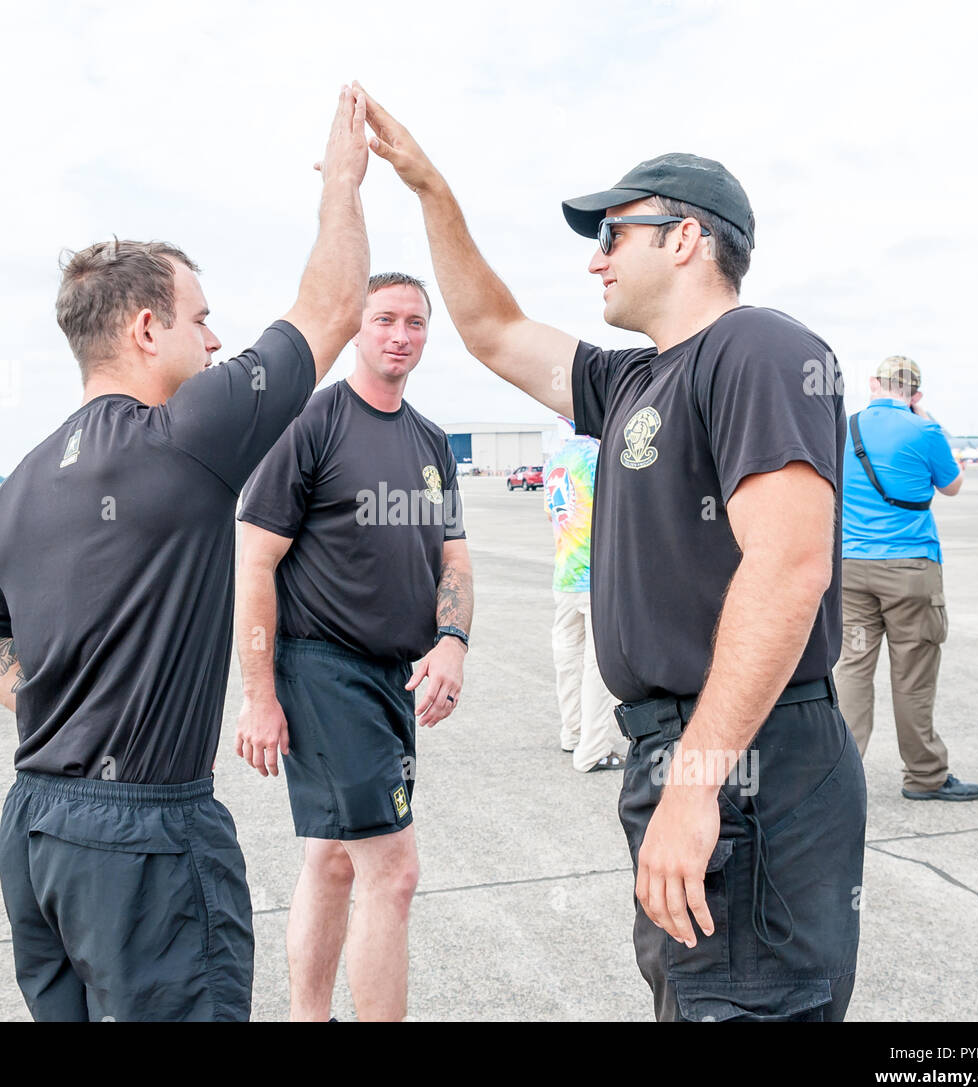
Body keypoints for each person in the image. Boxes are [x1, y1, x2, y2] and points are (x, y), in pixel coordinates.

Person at [359, 84, 866, 1022]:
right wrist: (430, 189)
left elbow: (790, 567)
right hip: (679, 751)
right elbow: (493, 331)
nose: (596, 260)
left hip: (747, 760)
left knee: (744, 1001)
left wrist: (698, 782)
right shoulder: (637, 375)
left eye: (615, 234)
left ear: (686, 238)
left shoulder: (755, 348)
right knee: (697, 994)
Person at [0, 86, 373, 1022]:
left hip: (34, 832)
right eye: (200, 318)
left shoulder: (17, 487)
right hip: (142, 840)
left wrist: (75, 716)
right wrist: (343, 182)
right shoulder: (185, 435)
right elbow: (334, 305)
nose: (218, 338)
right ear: (147, 329)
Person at [234, 271, 473, 1022]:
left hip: (392, 676)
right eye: (384, 320)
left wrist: (452, 640)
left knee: (334, 858)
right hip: (321, 669)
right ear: (357, 330)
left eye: (415, 322)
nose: (400, 334)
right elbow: (255, 562)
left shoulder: (432, 441)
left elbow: (455, 561)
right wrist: (260, 693)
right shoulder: (312, 423)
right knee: (394, 871)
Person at [834, 356, 978, 802]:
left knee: (852, 671)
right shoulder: (925, 431)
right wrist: (929, 420)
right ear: (915, 394)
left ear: (874, 383)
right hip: (910, 568)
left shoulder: (843, 426)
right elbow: (952, 486)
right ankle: (925, 776)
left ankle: (841, 779)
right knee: (913, 675)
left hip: (851, 565)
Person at [544, 425, 626, 772]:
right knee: (598, 666)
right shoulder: (600, 456)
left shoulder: (555, 461)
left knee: (568, 661)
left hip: (564, 573)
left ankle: (572, 733)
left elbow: (552, 515)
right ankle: (594, 750)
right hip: (596, 576)